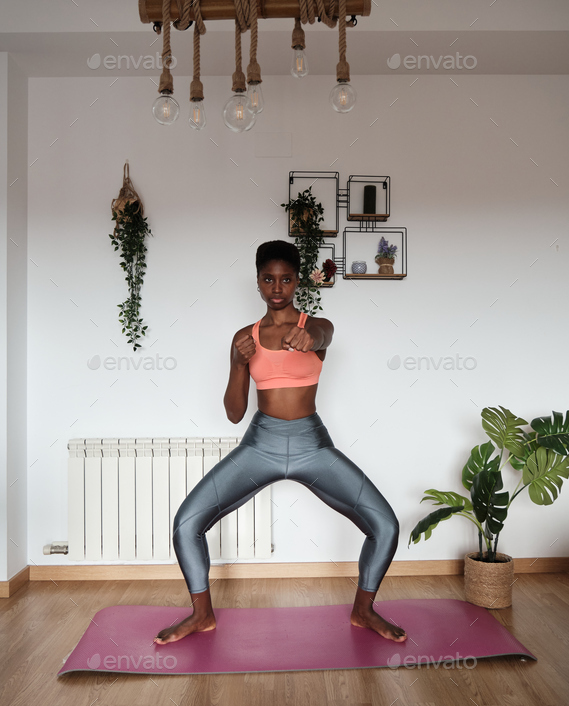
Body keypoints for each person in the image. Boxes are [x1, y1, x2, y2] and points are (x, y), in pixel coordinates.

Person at [155, 240, 407, 644]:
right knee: (186, 524)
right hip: (261, 444)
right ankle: (201, 616)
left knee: (385, 525)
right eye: (268, 279)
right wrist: (237, 362)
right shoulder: (245, 337)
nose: (277, 288)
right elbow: (234, 413)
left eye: (286, 279)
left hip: (312, 445)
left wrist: (311, 338)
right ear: (257, 282)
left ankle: (363, 610)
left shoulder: (316, 326)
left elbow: (323, 335)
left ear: (297, 281)